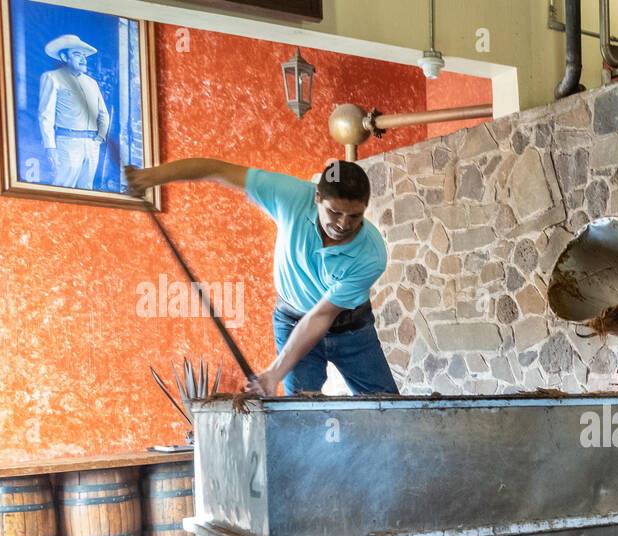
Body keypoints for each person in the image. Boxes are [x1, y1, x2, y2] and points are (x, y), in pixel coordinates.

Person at [125, 158, 398, 396]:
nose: (343, 224)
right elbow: (217, 169)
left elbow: (321, 316)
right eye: (334, 212)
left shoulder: (371, 253)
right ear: (317, 198)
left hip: (350, 328)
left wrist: (274, 373)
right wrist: (151, 177)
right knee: (300, 417)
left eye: (355, 216)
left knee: (389, 409)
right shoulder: (289, 195)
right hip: (292, 320)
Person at [38, 34, 110, 189]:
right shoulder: (52, 77)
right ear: (64, 57)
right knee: (63, 187)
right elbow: (46, 115)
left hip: (91, 145)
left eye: (84, 55)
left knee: (87, 189)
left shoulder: (92, 83)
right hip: (67, 144)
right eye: (77, 54)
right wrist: (50, 146)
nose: (83, 59)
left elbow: (103, 114)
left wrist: (100, 137)